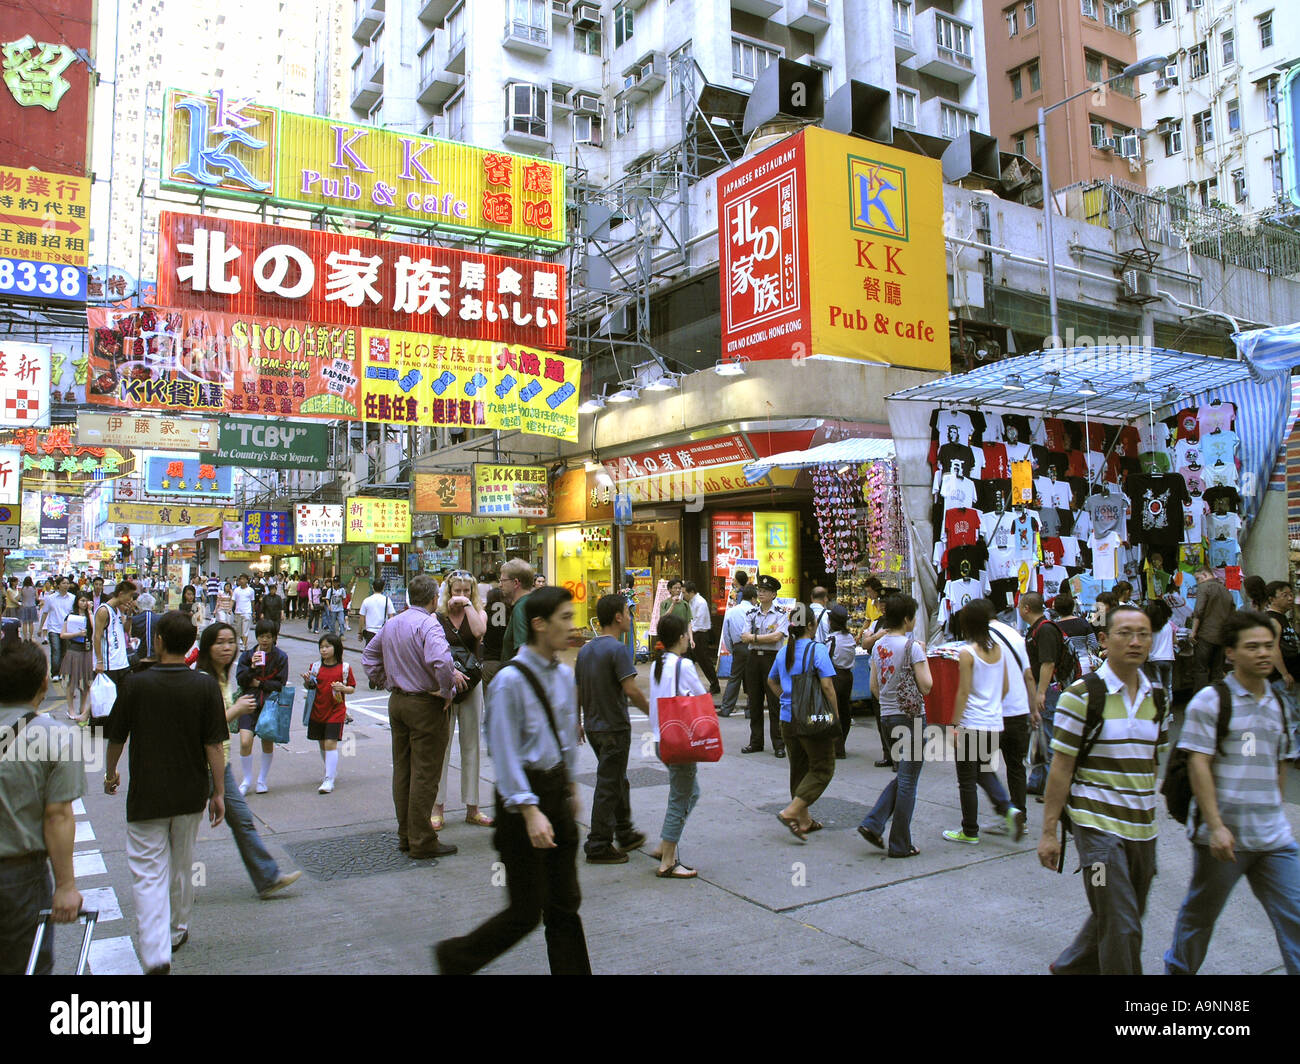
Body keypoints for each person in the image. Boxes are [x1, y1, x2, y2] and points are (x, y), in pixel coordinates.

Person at [434, 587, 590, 975]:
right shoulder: (510, 681)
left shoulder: (561, 674)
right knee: (525, 912)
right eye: (564, 619)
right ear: (539, 625)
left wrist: (569, 786)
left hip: (554, 792)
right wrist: (530, 810)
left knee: (564, 905)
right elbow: (504, 751)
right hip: (523, 802)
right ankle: (455, 959)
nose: (571, 626)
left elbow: (566, 735)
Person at [1163, 610, 1300, 973]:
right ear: (1230, 653)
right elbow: (1198, 763)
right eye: (1252, 647)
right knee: (1199, 920)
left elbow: (1279, 764)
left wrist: (1277, 813)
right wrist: (1216, 825)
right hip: (1223, 839)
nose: (1263, 654)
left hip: (1273, 838)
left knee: (1297, 919)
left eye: (1268, 646)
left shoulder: (1280, 705)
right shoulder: (1211, 701)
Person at [1038, 605, 1168, 975]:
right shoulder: (1081, 695)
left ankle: (1070, 967)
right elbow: (1060, 769)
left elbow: (1150, 762)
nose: (1135, 641)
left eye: (1143, 634)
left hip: (1143, 831)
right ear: (1104, 640)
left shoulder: (1156, 695)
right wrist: (1049, 833)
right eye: (1125, 633)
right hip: (1096, 835)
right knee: (1122, 923)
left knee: (1117, 914)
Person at [103, 610, 226, 974]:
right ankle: (177, 929)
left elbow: (116, 737)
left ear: (158, 641)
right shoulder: (204, 686)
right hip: (191, 793)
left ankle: (156, 951)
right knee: (182, 865)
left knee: (147, 872)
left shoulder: (135, 684)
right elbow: (215, 746)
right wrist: (218, 791)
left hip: (146, 795)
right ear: (190, 644)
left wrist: (111, 774)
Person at [0, 628, 85, 974]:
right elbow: (58, 816)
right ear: (42, 685)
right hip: (20, 876)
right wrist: (66, 885)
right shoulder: (56, 736)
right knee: (27, 965)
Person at [196, 623, 301, 898]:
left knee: (242, 820)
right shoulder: (203, 678)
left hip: (220, 763)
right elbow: (204, 727)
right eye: (220, 642)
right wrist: (237, 709)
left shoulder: (220, 676)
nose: (227, 647)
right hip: (200, 766)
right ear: (207, 646)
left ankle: (267, 879)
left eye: (231, 642)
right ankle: (167, 885)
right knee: (180, 830)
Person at [362, 573, 462, 859]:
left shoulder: (394, 623)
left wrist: (385, 679)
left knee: (403, 769)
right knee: (425, 772)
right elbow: (442, 661)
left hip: (398, 702)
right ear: (433, 599)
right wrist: (445, 690)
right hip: (424, 704)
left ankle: (406, 834)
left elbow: (369, 656)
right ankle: (422, 839)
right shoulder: (429, 624)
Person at [943, 600, 1023, 845]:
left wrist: (954, 725)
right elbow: (1006, 686)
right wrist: (991, 706)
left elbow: (963, 692)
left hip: (971, 724)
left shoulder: (968, 653)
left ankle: (969, 830)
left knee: (967, 779)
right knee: (983, 770)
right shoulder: (998, 649)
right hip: (994, 724)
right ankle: (1008, 809)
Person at [857, 594, 932, 857]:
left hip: (887, 717)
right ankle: (900, 843)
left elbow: (874, 687)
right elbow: (927, 685)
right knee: (909, 780)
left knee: (903, 775)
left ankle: (874, 822)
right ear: (907, 619)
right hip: (911, 718)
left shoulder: (878, 646)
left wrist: (890, 703)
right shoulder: (913, 647)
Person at [576, 593, 649, 864]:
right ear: (618, 617)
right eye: (628, 613)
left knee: (617, 779)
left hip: (594, 727)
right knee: (609, 784)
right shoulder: (618, 650)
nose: (630, 618)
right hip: (614, 727)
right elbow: (631, 690)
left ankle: (625, 832)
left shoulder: (586, 649)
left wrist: (578, 721)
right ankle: (598, 843)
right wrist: (654, 711)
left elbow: (577, 690)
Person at [768, 607, 838, 839]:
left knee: (798, 768)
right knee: (822, 767)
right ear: (810, 625)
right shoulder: (817, 649)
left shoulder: (783, 652)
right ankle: (792, 811)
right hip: (812, 719)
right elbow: (827, 687)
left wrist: (786, 698)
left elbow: (772, 680)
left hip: (787, 719)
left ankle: (803, 820)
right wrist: (835, 717)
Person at [645, 613, 705, 877]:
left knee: (691, 792)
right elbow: (701, 697)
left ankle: (664, 844)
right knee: (680, 797)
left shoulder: (658, 665)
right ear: (681, 637)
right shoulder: (683, 666)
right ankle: (668, 860)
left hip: (662, 739)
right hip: (679, 740)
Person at [433, 572, 493, 831]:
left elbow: (479, 632)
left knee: (471, 746)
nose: (461, 595)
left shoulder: (478, 612)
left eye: (467, 591)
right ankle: (437, 808)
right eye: (457, 590)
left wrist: (468, 606)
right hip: (444, 688)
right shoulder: (437, 616)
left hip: (471, 685)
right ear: (448, 590)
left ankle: (473, 807)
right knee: (441, 748)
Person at [988, 599, 1037, 826]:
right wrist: (1033, 709)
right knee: (1016, 766)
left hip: (993, 714)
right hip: (1019, 712)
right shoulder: (1016, 635)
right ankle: (1020, 815)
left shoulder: (982, 638)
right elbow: (1028, 676)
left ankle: (1005, 810)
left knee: (977, 765)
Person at [234, 620, 289, 795]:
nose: (264, 640)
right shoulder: (247, 655)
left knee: (267, 742)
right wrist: (252, 667)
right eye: (261, 636)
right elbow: (241, 679)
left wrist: (259, 683)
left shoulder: (281, 657)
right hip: (248, 702)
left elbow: (280, 684)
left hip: (269, 705)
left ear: (274, 638)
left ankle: (262, 780)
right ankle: (247, 780)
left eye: (268, 637)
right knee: (245, 741)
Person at [1020, 592, 1067, 794]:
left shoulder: (1045, 629)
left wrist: (1040, 694)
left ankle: (1050, 787)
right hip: (1043, 688)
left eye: (1020, 605)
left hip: (1049, 689)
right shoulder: (1037, 629)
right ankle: (1037, 781)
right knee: (1038, 735)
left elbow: (1048, 663)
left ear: (1026, 608)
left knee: (1047, 736)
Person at [741, 575, 789, 757]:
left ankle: (779, 743)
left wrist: (754, 638)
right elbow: (743, 636)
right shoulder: (751, 613)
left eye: (765, 591)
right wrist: (759, 639)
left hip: (772, 659)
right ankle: (756, 742)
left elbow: (777, 637)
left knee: (775, 702)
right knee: (754, 701)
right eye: (759, 591)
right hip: (753, 659)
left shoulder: (781, 613)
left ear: (773, 594)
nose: (761, 594)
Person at [302, 633, 356, 794]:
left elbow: (352, 688)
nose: (323, 650)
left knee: (330, 742)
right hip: (318, 709)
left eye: (327, 646)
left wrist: (343, 688)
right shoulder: (316, 667)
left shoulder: (345, 668)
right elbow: (311, 687)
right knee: (321, 743)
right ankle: (329, 771)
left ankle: (329, 779)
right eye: (321, 647)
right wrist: (307, 680)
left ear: (336, 648)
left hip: (337, 710)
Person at [1189, 566, 1234, 691]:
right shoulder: (1226, 590)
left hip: (1206, 635)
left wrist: (1193, 632)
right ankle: (1218, 700)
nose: (1197, 582)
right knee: (1217, 671)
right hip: (1222, 637)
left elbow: (1199, 611)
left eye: (1198, 579)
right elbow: (1232, 613)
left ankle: (1201, 699)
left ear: (1204, 575)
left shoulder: (1204, 587)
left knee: (1201, 670)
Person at [718, 584, 757, 718]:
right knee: (753, 679)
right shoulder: (756, 611)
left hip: (738, 647)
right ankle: (751, 710)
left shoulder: (731, 611)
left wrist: (732, 649)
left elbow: (726, 634)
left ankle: (726, 708)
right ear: (753, 598)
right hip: (753, 646)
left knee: (734, 678)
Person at [92, 579, 138, 688]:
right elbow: (96, 636)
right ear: (121, 594)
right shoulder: (103, 610)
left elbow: (125, 630)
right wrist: (99, 661)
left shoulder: (118, 610)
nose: (131, 599)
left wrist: (130, 614)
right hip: (109, 665)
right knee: (107, 700)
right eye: (130, 596)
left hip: (122, 662)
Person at [826, 604, 857, 758]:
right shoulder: (850, 637)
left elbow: (826, 659)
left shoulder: (832, 639)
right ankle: (841, 743)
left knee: (834, 710)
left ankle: (836, 746)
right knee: (845, 710)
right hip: (848, 676)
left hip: (834, 676)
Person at [60, 592, 95, 724]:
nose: (84, 604)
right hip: (74, 651)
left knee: (86, 682)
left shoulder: (91, 615)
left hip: (87, 651)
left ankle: (82, 707)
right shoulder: (70, 616)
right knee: (71, 682)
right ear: (77, 602)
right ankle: (71, 709)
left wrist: (91, 611)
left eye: (87, 601)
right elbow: (63, 635)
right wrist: (77, 633)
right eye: (82, 601)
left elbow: (95, 628)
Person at [497, 558, 536, 665]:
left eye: (503, 580)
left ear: (515, 583)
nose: (500, 585)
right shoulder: (532, 602)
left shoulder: (520, 608)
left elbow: (523, 650)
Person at [684, 580, 720, 694]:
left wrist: (690, 635)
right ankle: (690, 685)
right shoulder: (690, 601)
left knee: (704, 661)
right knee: (688, 660)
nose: (683, 595)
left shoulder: (700, 602)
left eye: (685, 592)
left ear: (691, 592)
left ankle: (715, 684)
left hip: (700, 634)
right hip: (693, 633)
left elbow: (698, 621)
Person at [37, 575, 74, 683]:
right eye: (63, 583)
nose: (66, 585)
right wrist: (40, 628)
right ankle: (55, 673)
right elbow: (44, 613)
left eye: (67, 583)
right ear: (58, 585)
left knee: (65, 652)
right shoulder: (50, 598)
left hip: (67, 630)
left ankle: (63, 672)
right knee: (56, 651)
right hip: (54, 628)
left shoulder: (72, 598)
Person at [1144, 598, 1176, 706]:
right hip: (1168, 658)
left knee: (1158, 687)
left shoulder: (1150, 627)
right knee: (1168, 687)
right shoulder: (1169, 625)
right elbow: (1175, 641)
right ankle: (1169, 712)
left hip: (1154, 659)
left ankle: (1160, 709)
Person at [359, 579, 395, 650]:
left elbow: (361, 618)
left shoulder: (366, 600)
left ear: (372, 587)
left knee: (369, 655)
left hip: (370, 632)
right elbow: (391, 617)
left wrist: (360, 632)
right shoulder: (387, 600)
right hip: (383, 632)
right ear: (383, 588)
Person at [231, 574, 255, 650]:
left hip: (247, 612)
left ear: (247, 580)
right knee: (239, 630)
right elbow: (233, 600)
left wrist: (253, 612)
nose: (241, 581)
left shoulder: (250, 590)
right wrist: (229, 608)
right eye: (240, 579)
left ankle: (244, 645)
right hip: (238, 612)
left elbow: (252, 601)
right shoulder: (236, 590)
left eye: (243, 579)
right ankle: (242, 640)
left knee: (245, 630)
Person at [19, 576, 37, 642]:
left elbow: (20, 597)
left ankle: (25, 638)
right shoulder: (34, 588)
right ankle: (30, 638)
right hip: (32, 606)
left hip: (24, 606)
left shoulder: (22, 589)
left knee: (24, 623)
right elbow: (37, 597)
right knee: (31, 623)